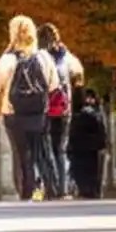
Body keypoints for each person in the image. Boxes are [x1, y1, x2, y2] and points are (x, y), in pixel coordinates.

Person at [0, 15, 57, 202]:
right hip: (39, 112)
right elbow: (53, 86)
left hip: (13, 112)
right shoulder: (44, 57)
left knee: (21, 153)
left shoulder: (7, 60)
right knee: (40, 151)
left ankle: (26, 190)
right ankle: (45, 187)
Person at [39, 23, 83, 200]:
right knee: (61, 149)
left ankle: (50, 186)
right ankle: (63, 188)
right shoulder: (67, 56)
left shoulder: (40, 58)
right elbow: (79, 75)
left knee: (46, 149)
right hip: (64, 108)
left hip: (45, 109)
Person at [67, 89, 107, 199]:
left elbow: (72, 134)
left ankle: (85, 190)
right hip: (92, 149)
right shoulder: (97, 113)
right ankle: (92, 190)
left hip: (80, 149)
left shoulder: (77, 115)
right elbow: (102, 131)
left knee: (82, 171)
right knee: (93, 171)